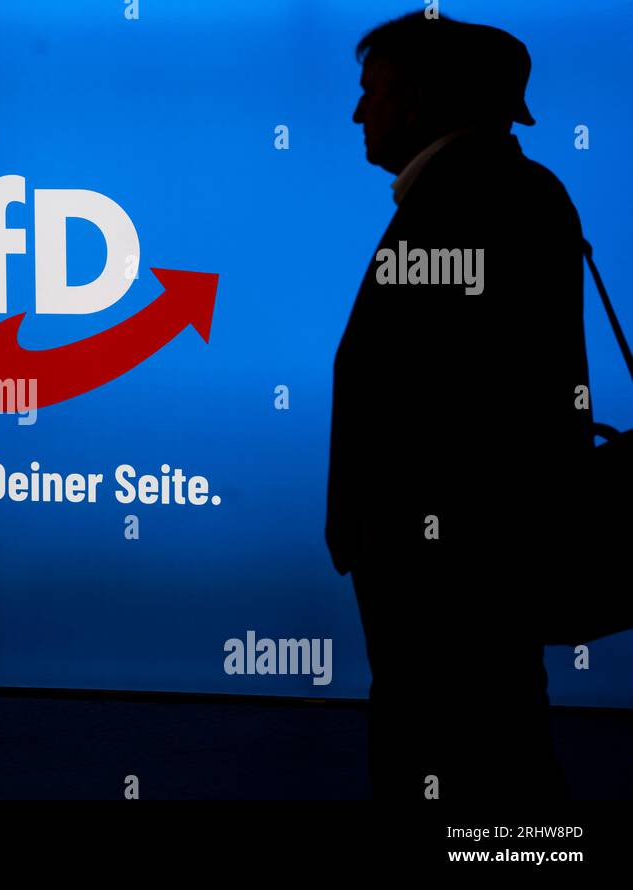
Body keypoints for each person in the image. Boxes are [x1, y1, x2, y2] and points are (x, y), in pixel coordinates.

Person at [327, 13, 592, 800]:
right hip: (466, 551)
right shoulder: (510, 188)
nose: (357, 113)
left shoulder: (466, 197)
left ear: (418, 102)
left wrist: (395, 533)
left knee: (458, 745)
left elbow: (446, 393)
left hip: (447, 562)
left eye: (371, 93)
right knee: (497, 738)